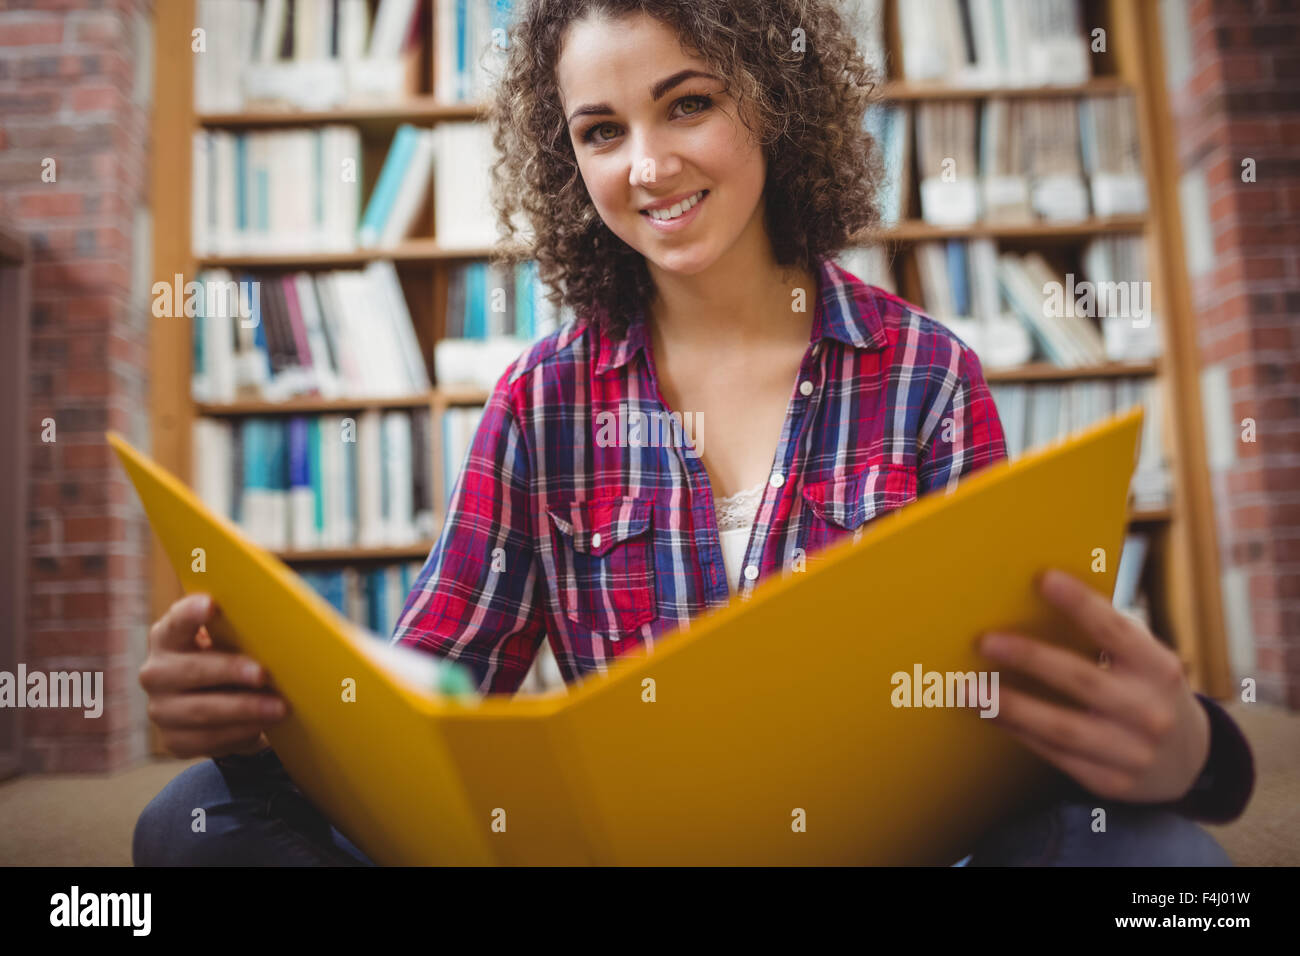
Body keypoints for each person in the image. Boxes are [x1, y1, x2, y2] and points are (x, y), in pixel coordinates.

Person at [134, 0, 1253, 866]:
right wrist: (260, 716)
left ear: (767, 97)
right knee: (193, 825)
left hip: (885, 851)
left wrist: (1203, 751)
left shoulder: (928, 376)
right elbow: (428, 689)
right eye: (601, 130)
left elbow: (1026, 706)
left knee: (1162, 863)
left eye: (687, 104)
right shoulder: (541, 402)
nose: (647, 167)